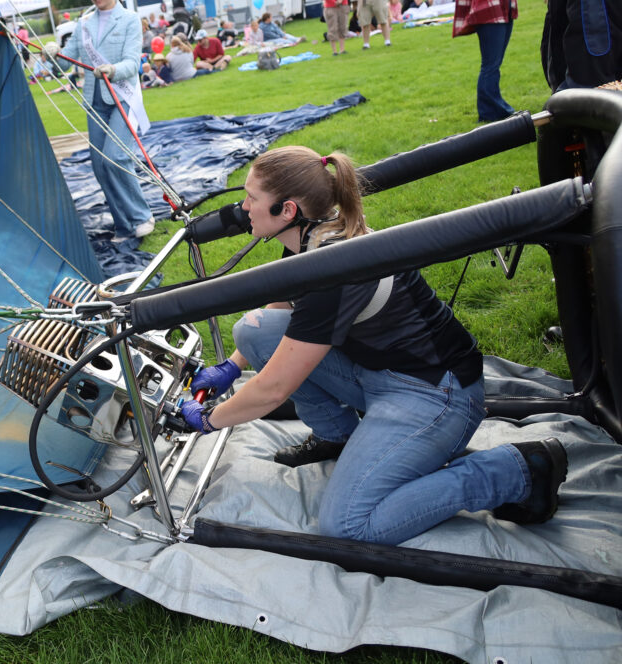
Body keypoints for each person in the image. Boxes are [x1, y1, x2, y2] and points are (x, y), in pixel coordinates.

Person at [178, 145, 569, 545]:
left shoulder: (331, 269)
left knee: (348, 525)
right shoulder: (315, 231)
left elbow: (272, 390)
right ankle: (341, 437)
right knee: (254, 329)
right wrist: (233, 363)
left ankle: (514, 470)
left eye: (251, 199)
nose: (243, 209)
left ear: (287, 210)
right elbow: (282, 304)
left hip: (436, 395)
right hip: (384, 372)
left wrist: (208, 419)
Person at [60, 0, 155, 242]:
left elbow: (131, 62)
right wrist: (50, 54)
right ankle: (124, 226)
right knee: (99, 165)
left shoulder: (129, 20)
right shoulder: (84, 23)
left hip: (122, 96)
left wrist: (112, 70)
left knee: (115, 157)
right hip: (95, 100)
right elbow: (69, 56)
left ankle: (142, 215)